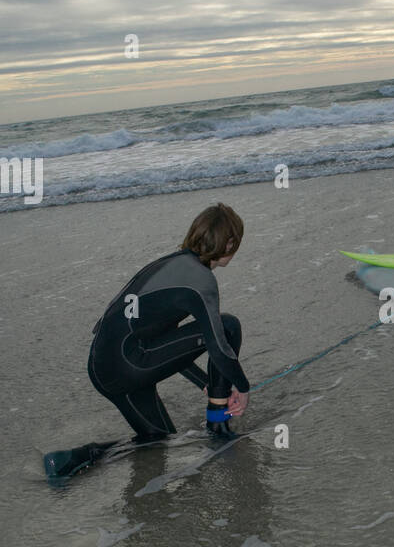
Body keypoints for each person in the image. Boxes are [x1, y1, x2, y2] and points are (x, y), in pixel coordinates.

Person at [44, 203, 250, 479]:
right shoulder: (201, 281)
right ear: (229, 243)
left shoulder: (172, 265)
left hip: (105, 367)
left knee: (157, 438)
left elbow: (165, 343)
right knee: (229, 326)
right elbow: (218, 344)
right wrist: (242, 387)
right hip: (130, 362)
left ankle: (76, 458)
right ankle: (218, 425)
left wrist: (204, 383)